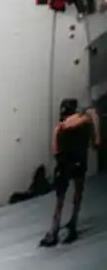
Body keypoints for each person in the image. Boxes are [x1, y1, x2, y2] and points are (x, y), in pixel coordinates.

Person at [40, 99, 100, 246]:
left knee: (60, 198)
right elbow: (95, 143)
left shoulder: (61, 127)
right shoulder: (86, 121)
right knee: (77, 193)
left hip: (65, 163)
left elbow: (56, 150)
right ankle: (73, 224)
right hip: (79, 161)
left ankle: (54, 230)